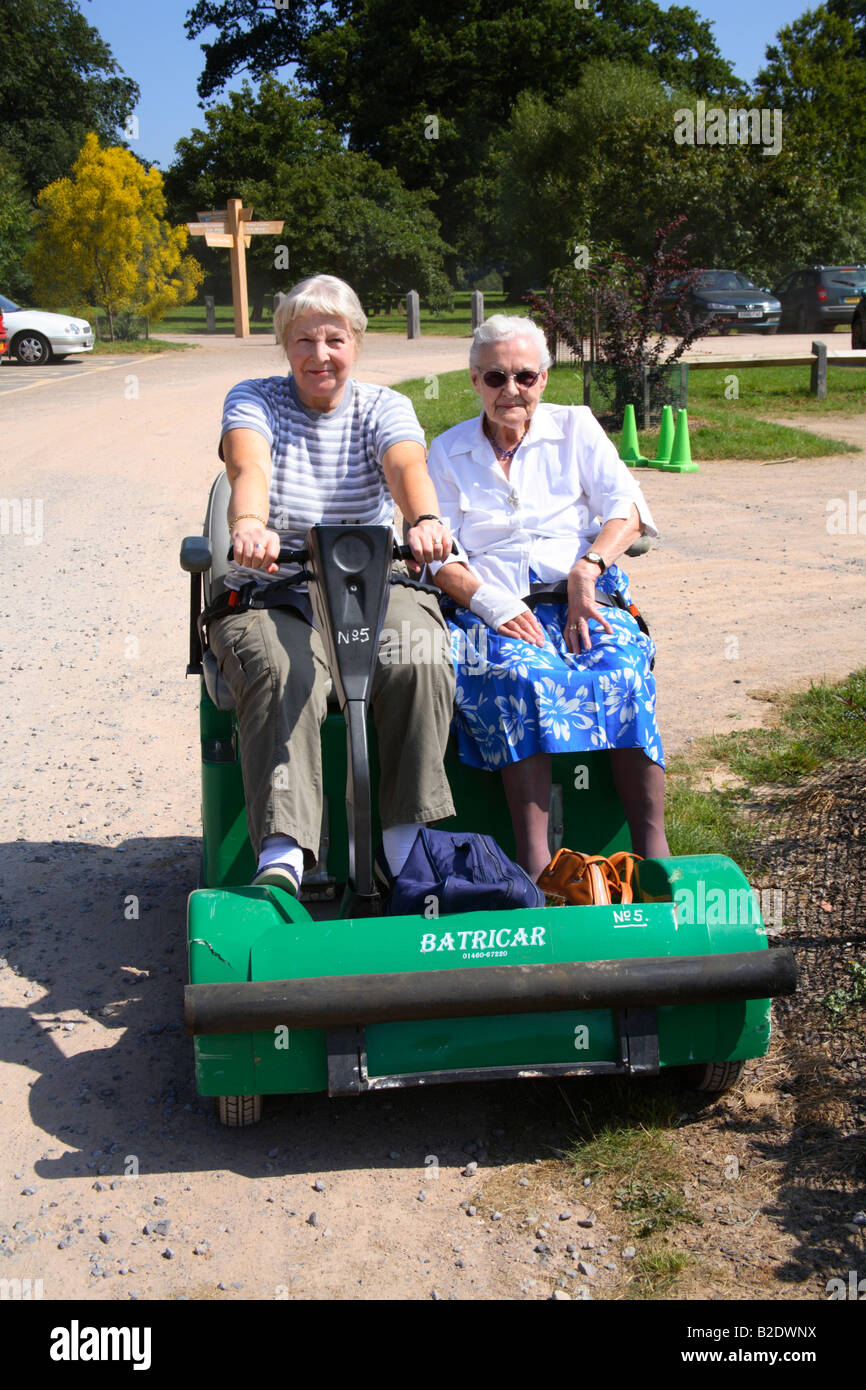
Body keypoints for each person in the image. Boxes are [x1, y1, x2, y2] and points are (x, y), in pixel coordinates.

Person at [207, 274, 456, 894]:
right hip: (275, 582)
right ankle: (285, 856)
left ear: (357, 343)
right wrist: (249, 524)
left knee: (421, 653)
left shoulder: (383, 406)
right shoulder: (255, 398)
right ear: (284, 347)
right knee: (280, 666)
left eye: (334, 340)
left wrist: (422, 519)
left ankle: (403, 845)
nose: (320, 356)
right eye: (303, 341)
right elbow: (248, 461)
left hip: (367, 581)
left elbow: (405, 466)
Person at [426, 314, 669, 880]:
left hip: (581, 597)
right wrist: (493, 605)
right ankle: (538, 867)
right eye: (495, 378)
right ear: (473, 379)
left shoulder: (577, 428)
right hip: (493, 609)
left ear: (545, 378)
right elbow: (438, 555)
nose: (511, 391)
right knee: (523, 678)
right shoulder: (448, 450)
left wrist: (589, 568)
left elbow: (627, 509)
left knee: (625, 667)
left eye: (525, 377)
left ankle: (654, 856)